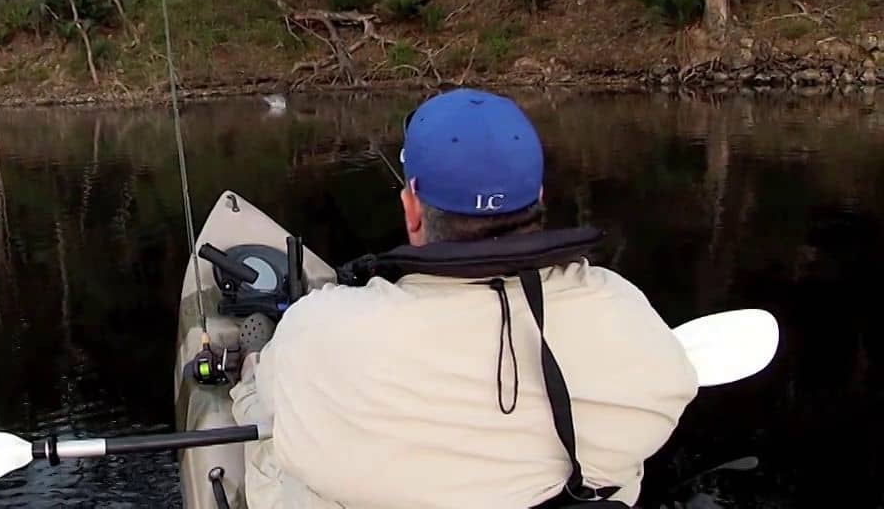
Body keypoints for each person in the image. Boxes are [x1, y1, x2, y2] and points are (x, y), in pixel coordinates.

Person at [231, 88, 698, 509]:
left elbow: (271, 410)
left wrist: (250, 384)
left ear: (412, 210)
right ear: (537, 196)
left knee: (277, 456)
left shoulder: (317, 328)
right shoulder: (623, 310)